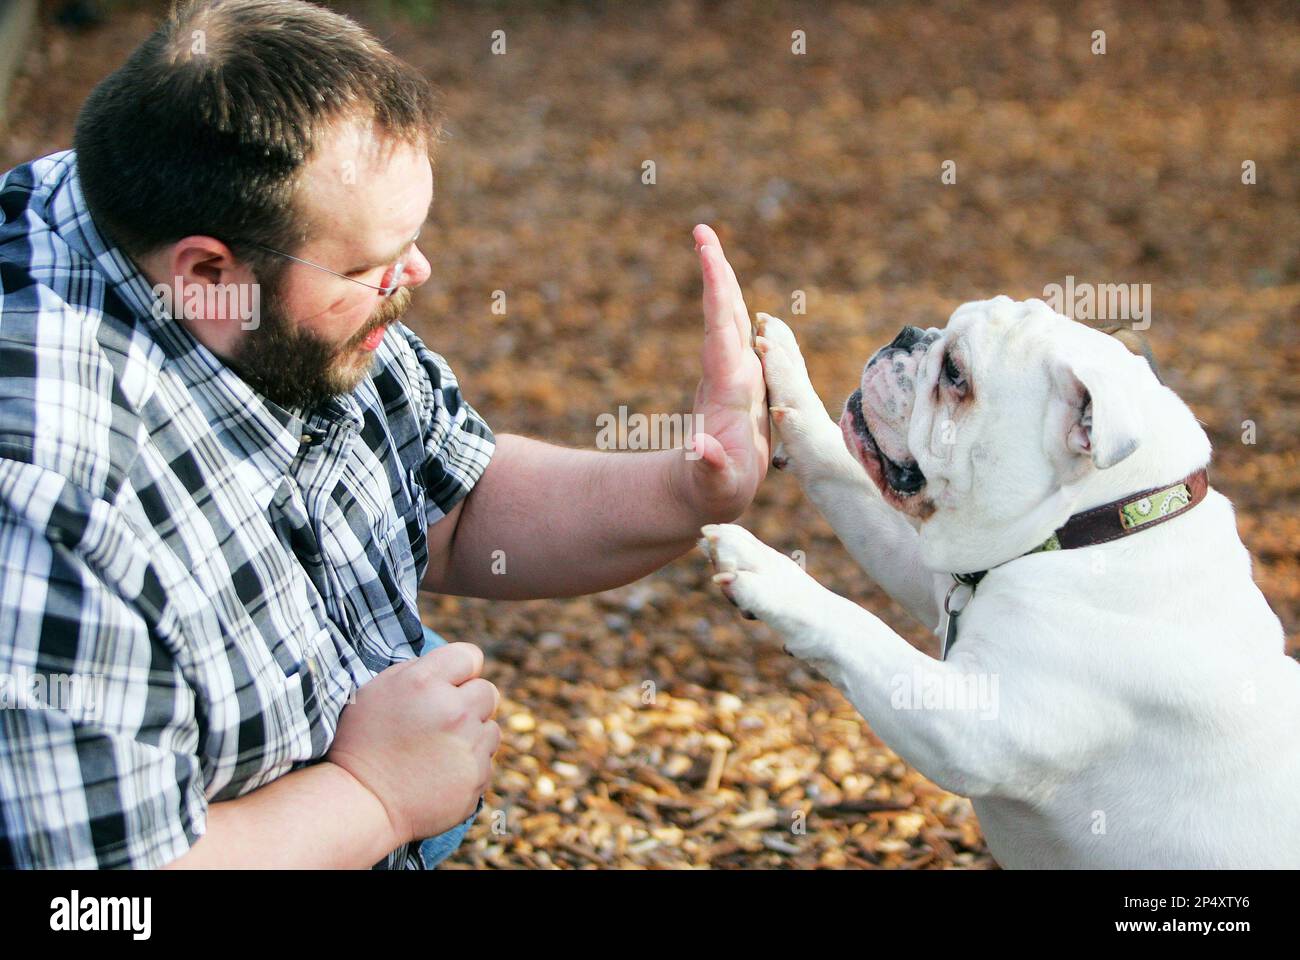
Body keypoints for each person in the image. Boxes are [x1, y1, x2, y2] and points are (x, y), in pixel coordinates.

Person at [0, 0, 768, 868]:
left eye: (411, 241)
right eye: (370, 266)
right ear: (207, 272)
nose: (418, 276)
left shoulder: (196, 217)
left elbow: (458, 503)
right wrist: (371, 795)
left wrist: (689, 488)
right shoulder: (54, 498)